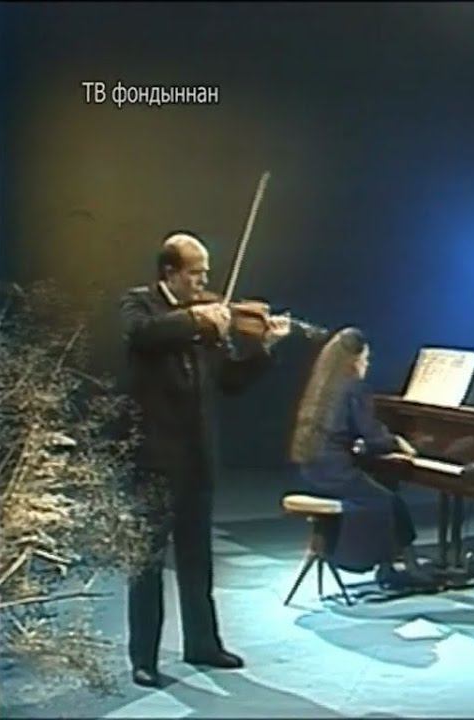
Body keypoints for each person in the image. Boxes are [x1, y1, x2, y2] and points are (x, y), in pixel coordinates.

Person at [119, 231, 291, 687]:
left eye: (206, 274)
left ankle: (202, 643)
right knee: (146, 563)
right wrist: (196, 319)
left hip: (197, 459)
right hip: (154, 460)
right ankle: (143, 657)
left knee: (197, 559)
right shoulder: (140, 305)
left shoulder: (210, 325)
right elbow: (143, 335)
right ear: (169, 272)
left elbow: (230, 382)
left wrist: (263, 350)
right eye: (196, 273)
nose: (203, 282)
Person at [288, 327, 435, 588]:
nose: (367, 364)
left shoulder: (323, 382)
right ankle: (403, 568)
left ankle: (393, 566)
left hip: (313, 470)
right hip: (335, 473)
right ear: (353, 360)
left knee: (387, 493)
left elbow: (343, 431)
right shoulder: (354, 386)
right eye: (365, 359)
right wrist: (398, 442)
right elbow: (371, 432)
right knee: (388, 501)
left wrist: (362, 445)